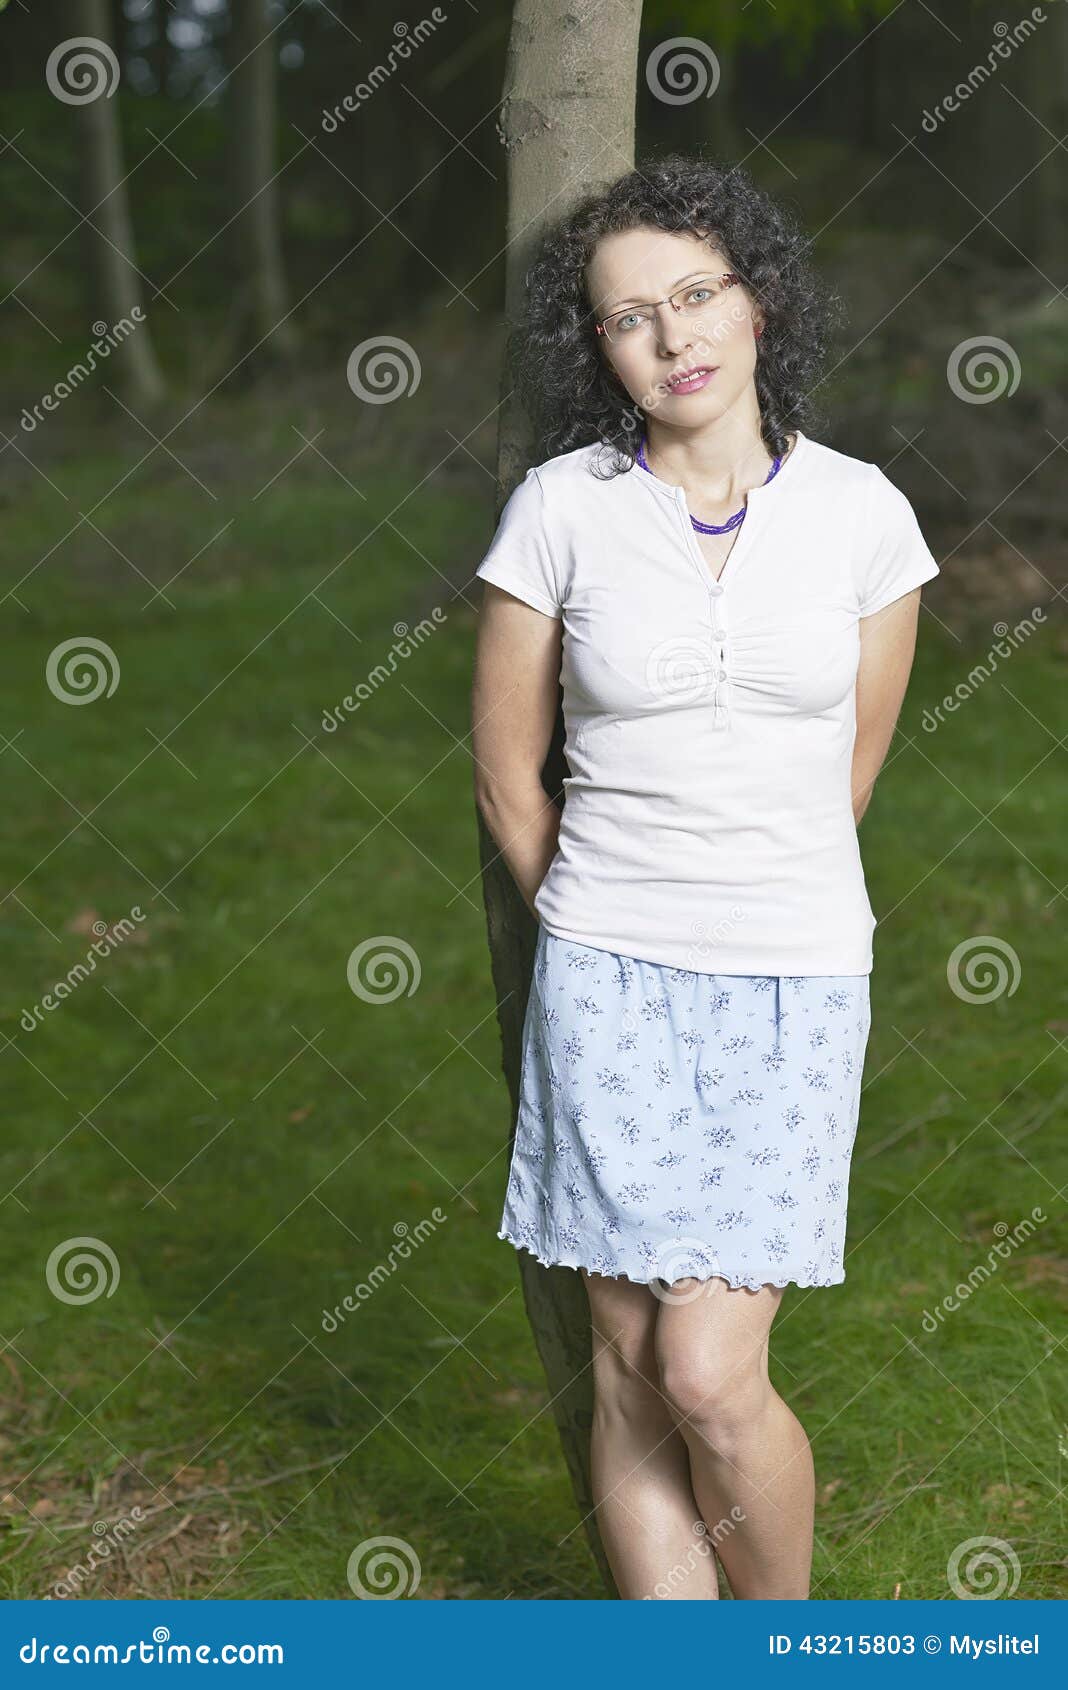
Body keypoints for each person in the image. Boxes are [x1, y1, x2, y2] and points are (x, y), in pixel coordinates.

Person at [470, 154, 940, 1601]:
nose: (673, 337)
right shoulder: (561, 507)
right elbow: (505, 768)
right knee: (626, 1367)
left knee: (710, 1369)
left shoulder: (866, 516)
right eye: (630, 317)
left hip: (793, 985)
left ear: (758, 301)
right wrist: (600, 915)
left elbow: (845, 775)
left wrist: (744, 893)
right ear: (597, 349)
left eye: (697, 295)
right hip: (607, 975)